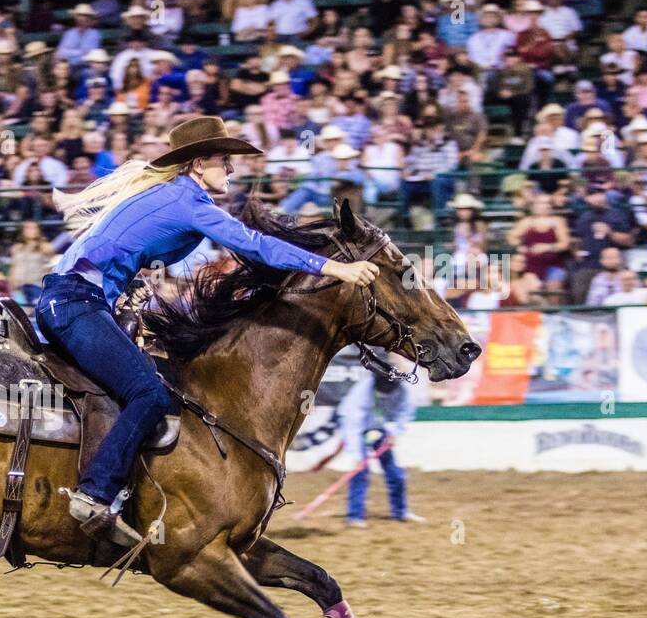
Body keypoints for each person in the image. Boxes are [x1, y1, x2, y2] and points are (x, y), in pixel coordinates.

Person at [38, 116, 378, 547]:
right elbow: (254, 245)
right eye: (224, 161)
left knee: (143, 386)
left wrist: (127, 287)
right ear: (200, 163)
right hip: (75, 303)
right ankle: (95, 493)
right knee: (148, 393)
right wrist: (336, 267)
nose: (231, 170)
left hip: (73, 299)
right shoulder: (187, 202)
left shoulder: (171, 195)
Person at [338, 357, 424, 528]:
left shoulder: (402, 389)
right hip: (357, 427)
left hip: (378, 427)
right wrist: (357, 456)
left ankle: (401, 512)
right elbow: (353, 425)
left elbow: (404, 412)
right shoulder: (361, 393)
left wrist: (395, 433)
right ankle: (355, 516)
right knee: (360, 472)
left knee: (395, 473)